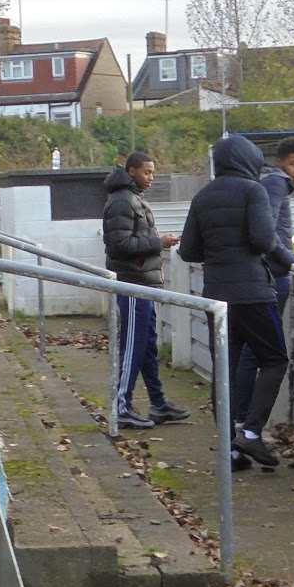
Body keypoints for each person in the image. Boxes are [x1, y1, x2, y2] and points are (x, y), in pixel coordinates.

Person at [177, 133, 288, 470]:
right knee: (275, 359)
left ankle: (231, 451)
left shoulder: (203, 196)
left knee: (223, 370)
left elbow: (188, 251)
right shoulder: (253, 190)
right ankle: (251, 434)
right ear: (248, 160)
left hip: (217, 298)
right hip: (253, 294)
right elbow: (263, 239)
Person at [102, 152, 190, 429]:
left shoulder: (132, 199)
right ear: (131, 172)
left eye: (153, 173)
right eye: (146, 172)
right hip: (132, 285)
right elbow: (119, 246)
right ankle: (122, 407)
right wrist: (158, 242)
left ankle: (158, 403)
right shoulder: (121, 202)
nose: (151, 178)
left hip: (143, 284)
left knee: (148, 346)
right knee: (133, 346)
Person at [233, 137, 294, 426]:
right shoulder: (276, 183)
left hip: (261, 273)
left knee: (247, 350)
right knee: (259, 352)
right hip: (273, 275)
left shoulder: (265, 182)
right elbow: (267, 232)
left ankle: (239, 420)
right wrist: (290, 257)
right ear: (280, 162)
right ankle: (245, 423)